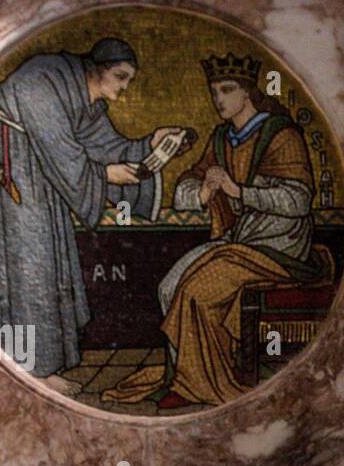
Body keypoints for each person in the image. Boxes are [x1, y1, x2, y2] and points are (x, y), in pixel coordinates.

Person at [106, 52, 321, 410]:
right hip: (238, 244)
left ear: (248, 92)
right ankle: (185, 375)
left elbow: (298, 200)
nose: (218, 98)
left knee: (196, 292)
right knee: (169, 286)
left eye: (226, 89)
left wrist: (239, 191)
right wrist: (204, 192)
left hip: (277, 248)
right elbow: (185, 188)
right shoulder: (223, 138)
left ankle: (202, 386)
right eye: (213, 91)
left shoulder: (280, 136)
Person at [0, 36, 180, 394]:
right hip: (12, 174)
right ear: (98, 70)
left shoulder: (85, 100)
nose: (125, 88)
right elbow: (64, 154)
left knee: (51, 265)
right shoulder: (44, 81)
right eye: (121, 77)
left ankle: (42, 368)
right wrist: (106, 174)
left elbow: (108, 148)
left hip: (39, 179)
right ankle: (28, 371)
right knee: (30, 268)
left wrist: (151, 145)